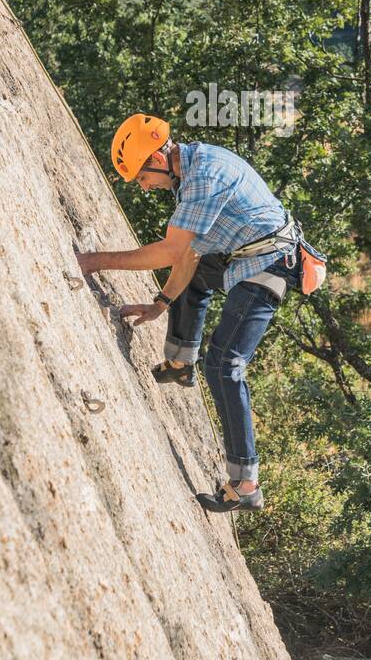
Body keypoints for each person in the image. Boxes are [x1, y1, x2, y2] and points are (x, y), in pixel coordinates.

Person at [75, 113, 317, 513]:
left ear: (156, 157)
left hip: (272, 265)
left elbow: (170, 253)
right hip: (245, 257)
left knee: (225, 364)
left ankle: (246, 483)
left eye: (142, 177)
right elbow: (187, 256)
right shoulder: (191, 169)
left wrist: (94, 262)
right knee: (193, 276)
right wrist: (161, 304)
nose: (145, 186)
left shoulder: (204, 177)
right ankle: (180, 361)